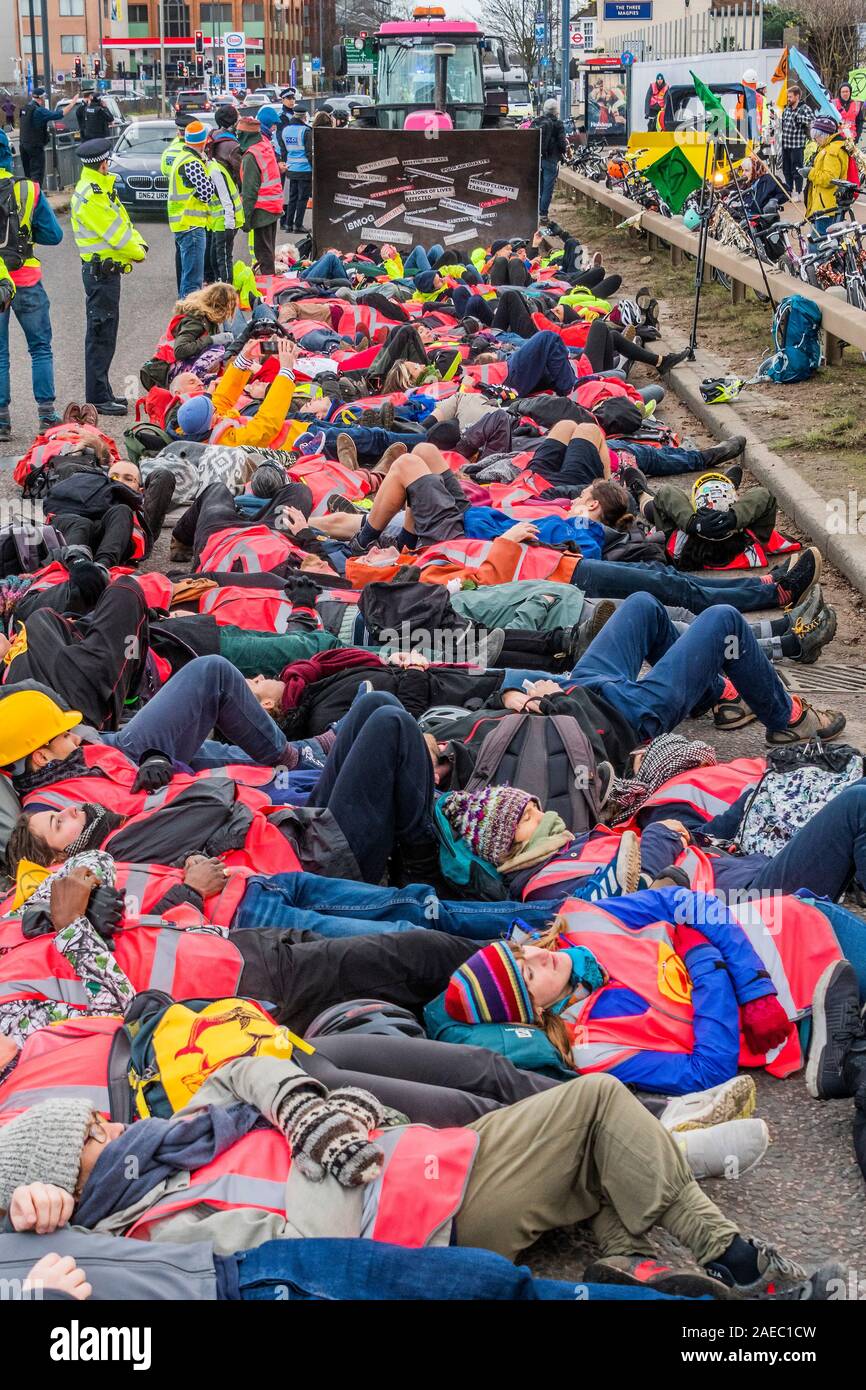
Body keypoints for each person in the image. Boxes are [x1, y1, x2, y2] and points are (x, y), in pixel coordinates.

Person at [0, 1059, 839, 1297]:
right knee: (593, 1105)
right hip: (419, 1213)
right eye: (86, 1138)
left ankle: (627, 1253)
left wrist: (313, 1113)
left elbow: (251, 1069)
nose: (106, 1125)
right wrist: (326, 1145)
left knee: (595, 1149)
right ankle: (735, 1262)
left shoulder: (172, 1134)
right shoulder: (144, 1231)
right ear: (68, 1182)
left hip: (419, 1156)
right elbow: (305, 1247)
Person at [70, 139, 148, 418]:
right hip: (99, 274)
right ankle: (97, 397)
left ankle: (102, 391)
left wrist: (141, 245)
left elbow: (123, 223)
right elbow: (115, 235)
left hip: (107, 274)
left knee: (106, 334)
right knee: (100, 335)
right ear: (103, 164)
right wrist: (138, 251)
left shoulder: (102, 189)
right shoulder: (92, 195)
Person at [0, 156, 64, 441]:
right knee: (40, 348)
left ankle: (1, 421)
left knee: (0, 353)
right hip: (25, 276)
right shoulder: (28, 189)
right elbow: (54, 234)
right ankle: (47, 415)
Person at [167, 120, 216, 297]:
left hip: (182, 224)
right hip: (192, 225)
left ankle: (184, 315)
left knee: (188, 276)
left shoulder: (182, 156)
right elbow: (207, 193)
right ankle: (189, 318)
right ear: (203, 141)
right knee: (193, 281)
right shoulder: (193, 162)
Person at [237, 109, 283, 275]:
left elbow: (250, 191)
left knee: (263, 253)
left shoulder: (250, 156)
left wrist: (246, 219)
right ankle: (270, 285)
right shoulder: (264, 145)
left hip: (262, 208)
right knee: (268, 250)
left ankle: (268, 290)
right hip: (274, 205)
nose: (237, 136)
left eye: (239, 133)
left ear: (245, 135)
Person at [205, 122, 244, 287]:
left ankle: (227, 292)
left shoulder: (214, 169)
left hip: (226, 220)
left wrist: (229, 223)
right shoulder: (210, 167)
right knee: (216, 259)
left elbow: (225, 198)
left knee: (223, 260)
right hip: (218, 222)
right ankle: (219, 289)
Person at [17, 86, 79, 187]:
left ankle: (27, 197)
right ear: (41, 98)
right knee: (37, 174)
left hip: (23, 145)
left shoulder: (25, 108)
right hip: (35, 146)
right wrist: (72, 103)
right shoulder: (39, 111)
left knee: (28, 175)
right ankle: (36, 198)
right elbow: (59, 114)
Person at [805, 116, 849, 234]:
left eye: (817, 136)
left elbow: (829, 179)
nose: (815, 139)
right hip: (825, 204)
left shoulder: (831, 151)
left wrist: (810, 173)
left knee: (819, 244)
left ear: (824, 134)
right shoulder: (829, 148)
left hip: (826, 207)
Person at [280, 103, 313, 236]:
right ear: (304, 116)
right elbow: (309, 152)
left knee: (292, 197)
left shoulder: (285, 130)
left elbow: (283, 150)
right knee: (302, 198)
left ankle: (288, 223)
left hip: (291, 168)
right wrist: (313, 167)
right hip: (304, 169)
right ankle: (298, 225)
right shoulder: (306, 131)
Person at [535, 97, 568, 223]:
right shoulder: (558, 124)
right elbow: (562, 143)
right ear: (556, 110)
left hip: (538, 158)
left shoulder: (538, 122)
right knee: (547, 188)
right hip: (551, 159)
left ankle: (537, 211)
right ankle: (543, 215)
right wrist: (563, 152)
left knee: (540, 187)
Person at [779, 85, 812, 195]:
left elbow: (813, 121)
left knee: (797, 169)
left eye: (790, 97)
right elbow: (783, 124)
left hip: (797, 145)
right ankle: (789, 191)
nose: (788, 99)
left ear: (797, 96)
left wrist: (799, 119)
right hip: (786, 144)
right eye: (788, 97)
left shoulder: (805, 108)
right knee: (786, 170)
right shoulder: (787, 109)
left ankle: (798, 192)